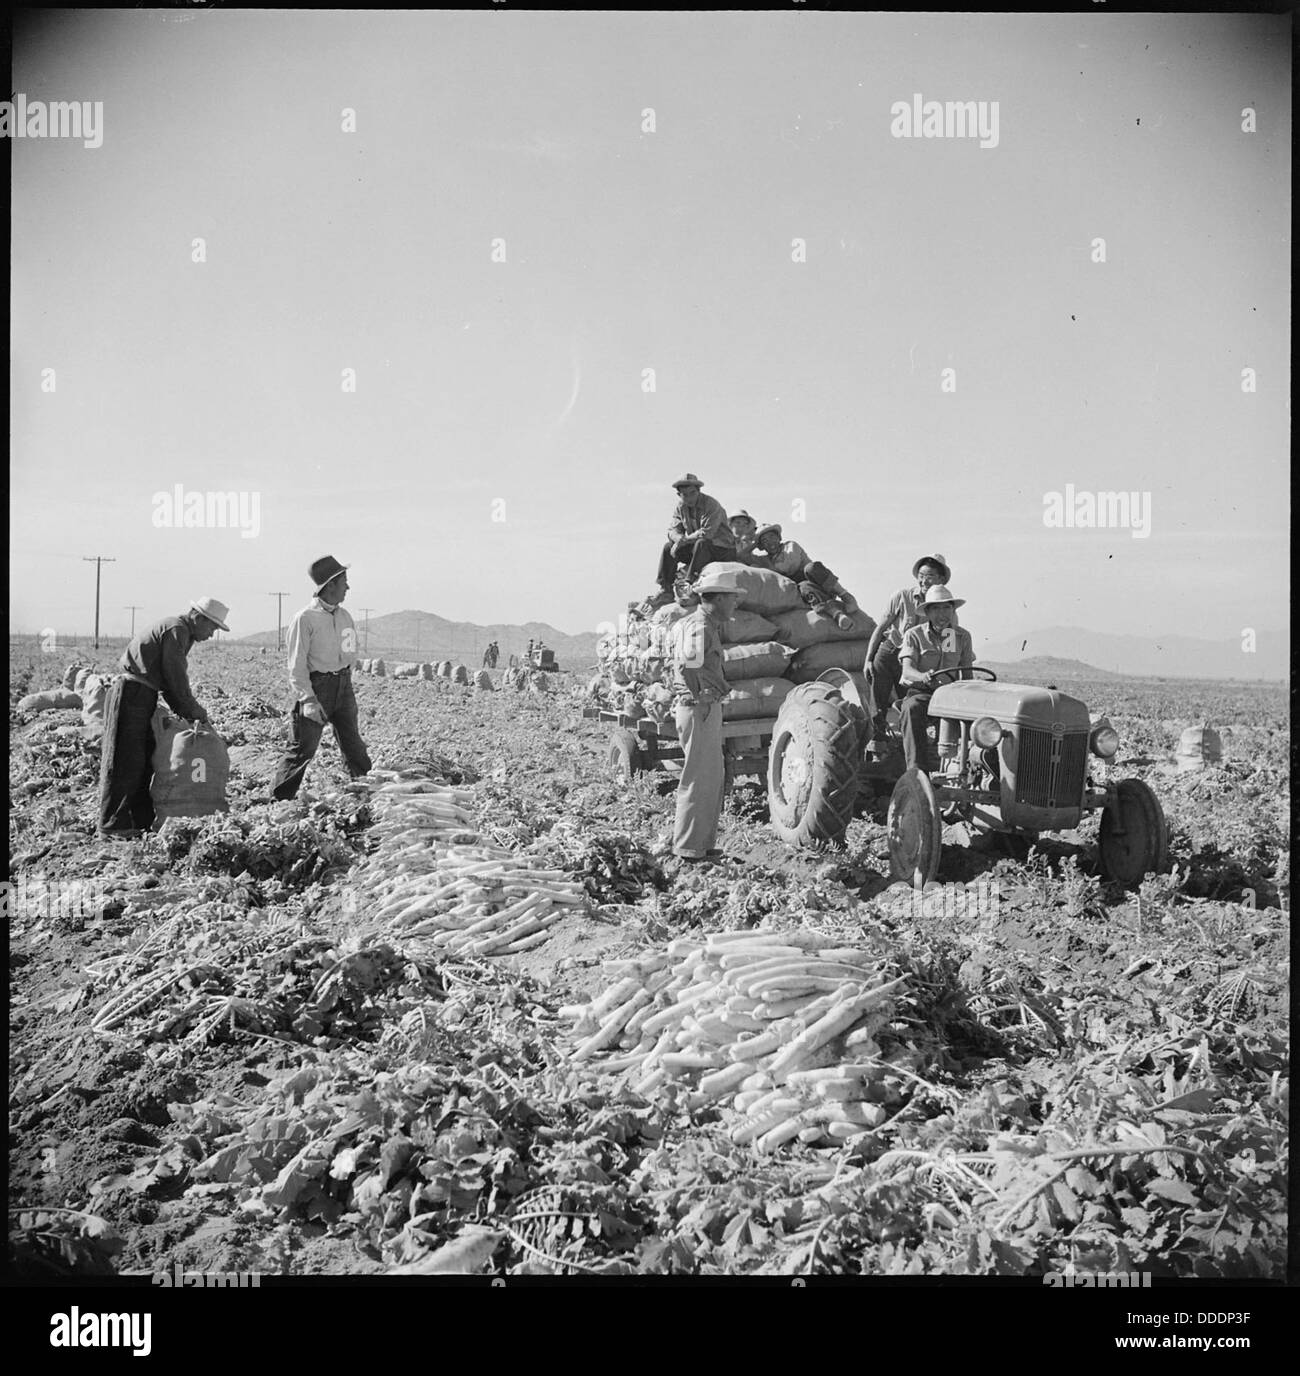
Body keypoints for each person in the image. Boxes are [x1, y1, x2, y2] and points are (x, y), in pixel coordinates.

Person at [98, 596, 229, 839]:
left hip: (143, 694)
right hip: (132, 693)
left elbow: (171, 682)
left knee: (142, 760)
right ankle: (111, 825)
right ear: (198, 618)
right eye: (212, 627)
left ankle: (140, 821)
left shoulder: (180, 631)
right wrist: (193, 710)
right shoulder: (177, 629)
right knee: (125, 760)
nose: (212, 634)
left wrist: (186, 709)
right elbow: (174, 678)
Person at [271, 555, 371, 801]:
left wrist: (345, 678)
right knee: (303, 748)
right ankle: (279, 800)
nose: (348, 587)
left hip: (343, 685)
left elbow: (351, 652)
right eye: (344, 581)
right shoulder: (304, 619)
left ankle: (366, 792)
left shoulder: (345, 616)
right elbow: (296, 665)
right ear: (330, 585)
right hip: (318, 688)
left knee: (353, 744)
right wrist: (308, 699)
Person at [668, 569, 744, 862]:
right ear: (719, 598)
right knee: (699, 778)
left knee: (709, 777)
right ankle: (689, 849)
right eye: (732, 598)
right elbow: (689, 661)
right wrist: (709, 691)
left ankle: (700, 845)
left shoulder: (695, 623)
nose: (735, 604)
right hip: (699, 707)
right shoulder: (700, 626)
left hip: (698, 707)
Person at [864, 554, 952, 731]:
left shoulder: (947, 610)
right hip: (891, 652)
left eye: (929, 576)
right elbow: (881, 628)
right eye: (921, 575)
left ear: (941, 579)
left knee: (910, 703)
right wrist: (868, 659)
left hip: (916, 661)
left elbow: (950, 646)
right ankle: (877, 740)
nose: (924, 581)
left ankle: (906, 743)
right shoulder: (902, 596)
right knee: (878, 702)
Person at [897, 585, 975, 772]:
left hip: (951, 697)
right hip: (924, 694)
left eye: (946, 608)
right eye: (936, 608)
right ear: (928, 612)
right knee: (911, 708)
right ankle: (916, 772)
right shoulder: (914, 635)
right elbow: (907, 671)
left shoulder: (959, 636)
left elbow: (967, 674)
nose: (942, 614)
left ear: (952, 610)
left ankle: (965, 768)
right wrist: (923, 677)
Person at [647, 473, 736, 610]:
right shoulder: (680, 507)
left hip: (722, 549)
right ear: (679, 495)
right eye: (684, 494)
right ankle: (666, 589)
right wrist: (678, 540)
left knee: (701, 543)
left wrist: (684, 540)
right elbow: (672, 530)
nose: (689, 498)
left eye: (692, 493)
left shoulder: (711, 505)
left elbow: (707, 533)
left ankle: (689, 584)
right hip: (698, 548)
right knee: (668, 547)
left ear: (698, 491)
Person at [751, 524, 859, 631]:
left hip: (821, 584)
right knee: (803, 586)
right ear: (762, 547)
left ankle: (846, 596)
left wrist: (770, 569)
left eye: (772, 537)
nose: (770, 542)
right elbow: (744, 557)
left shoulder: (790, 546)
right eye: (765, 541)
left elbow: (790, 566)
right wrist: (753, 545)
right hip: (807, 593)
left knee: (811, 568)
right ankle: (838, 615)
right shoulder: (765, 560)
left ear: (779, 537)